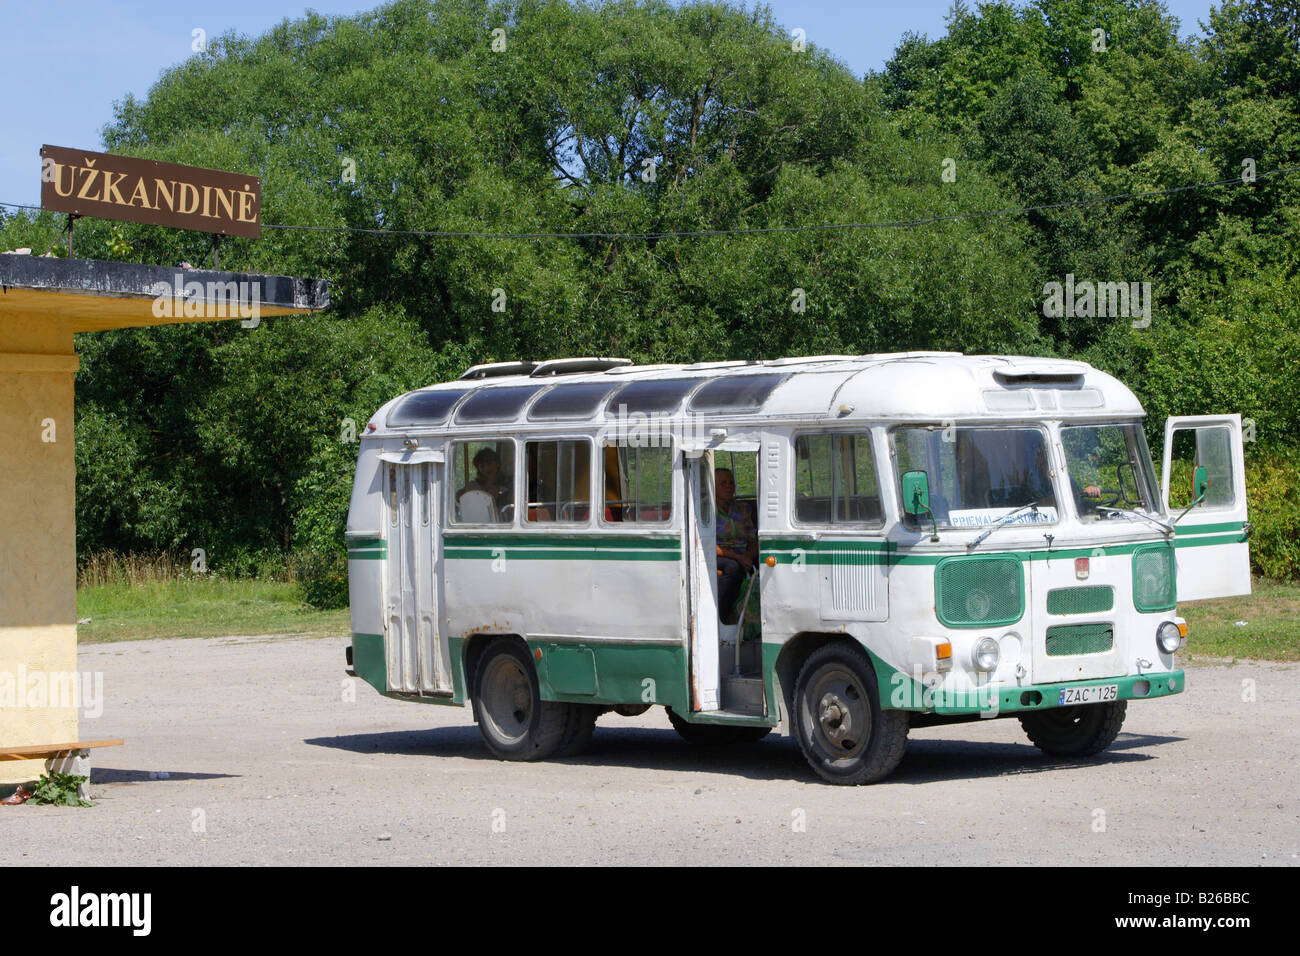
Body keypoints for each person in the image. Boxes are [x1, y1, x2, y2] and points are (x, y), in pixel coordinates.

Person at [714, 467, 757, 624]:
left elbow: (753, 537)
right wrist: (739, 558)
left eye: (731, 483)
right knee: (733, 568)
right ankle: (722, 617)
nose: (729, 486)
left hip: (743, 554)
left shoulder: (742, 508)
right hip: (718, 554)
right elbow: (706, 545)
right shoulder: (705, 509)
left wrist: (749, 555)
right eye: (723, 483)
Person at [462, 447, 513, 518]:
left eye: (489, 464)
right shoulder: (473, 486)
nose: (486, 468)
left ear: (497, 464)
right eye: (482, 466)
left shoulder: (510, 483)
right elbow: (460, 498)